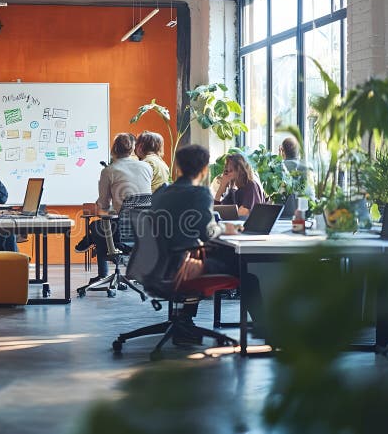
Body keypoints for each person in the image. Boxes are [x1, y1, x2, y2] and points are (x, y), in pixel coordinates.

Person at [151, 144, 264, 340]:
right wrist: (225, 230)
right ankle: (266, 331)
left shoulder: (161, 193)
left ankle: (185, 319)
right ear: (204, 170)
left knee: (212, 256)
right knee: (247, 274)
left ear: (177, 168)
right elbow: (208, 233)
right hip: (181, 269)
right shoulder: (198, 194)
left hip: (157, 265)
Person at [75, 133, 152, 283]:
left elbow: (103, 204)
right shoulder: (146, 167)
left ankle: (102, 272)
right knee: (103, 228)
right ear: (133, 149)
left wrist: (108, 205)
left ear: (114, 149)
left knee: (96, 227)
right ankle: (91, 242)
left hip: (121, 231)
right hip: (144, 229)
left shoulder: (109, 171)